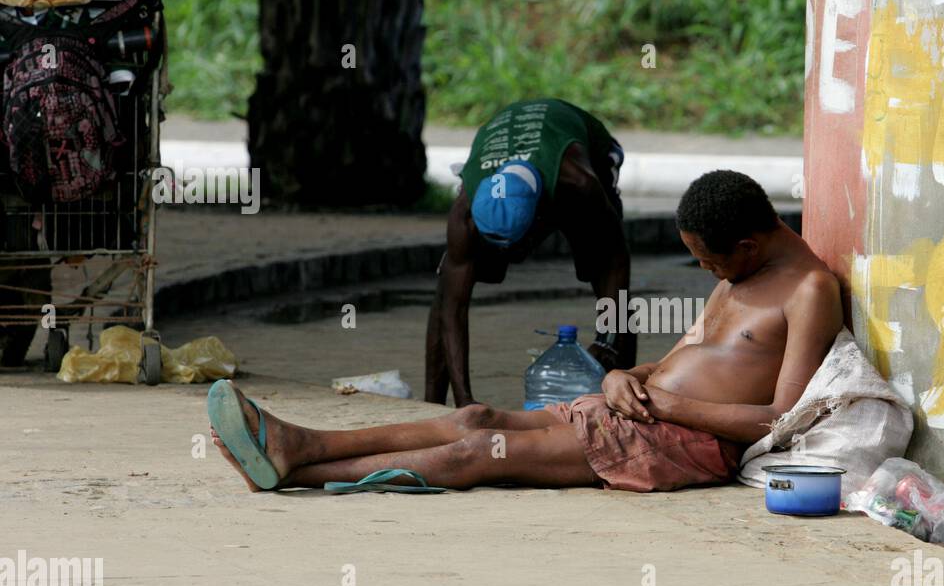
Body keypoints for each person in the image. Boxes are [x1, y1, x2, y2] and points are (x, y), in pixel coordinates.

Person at [211, 171, 843, 494]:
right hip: (638, 408)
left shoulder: (809, 290)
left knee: (477, 454)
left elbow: (781, 418)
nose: (706, 272)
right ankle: (304, 442)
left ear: (747, 243)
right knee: (476, 416)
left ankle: (298, 474)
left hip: (681, 441)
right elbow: (684, 355)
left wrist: (667, 403)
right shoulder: (738, 273)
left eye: (710, 262)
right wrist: (629, 374)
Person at [425, 98, 634, 407]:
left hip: (577, 140)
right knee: (447, 286)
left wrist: (607, 339)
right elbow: (452, 309)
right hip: (508, 144)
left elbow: (618, 261)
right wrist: (465, 401)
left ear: (538, 221)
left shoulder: (580, 183)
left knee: (603, 270)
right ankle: (431, 405)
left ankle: (627, 395)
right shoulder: (466, 212)